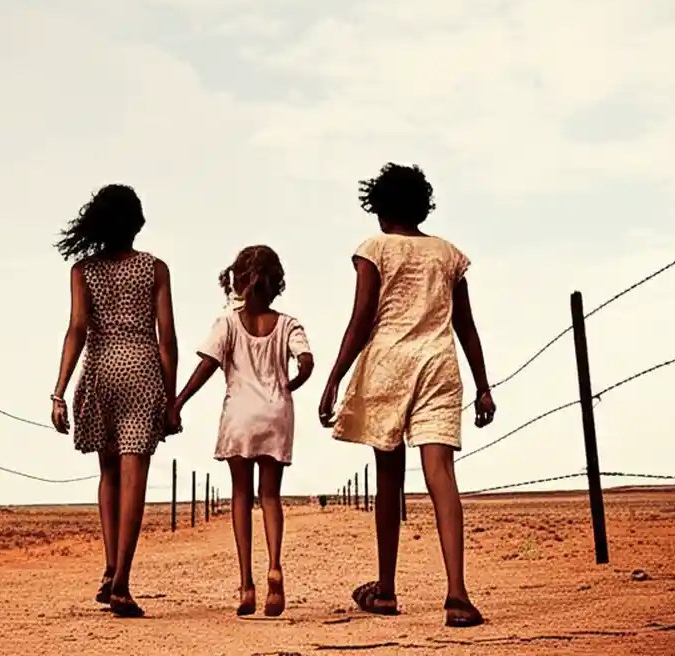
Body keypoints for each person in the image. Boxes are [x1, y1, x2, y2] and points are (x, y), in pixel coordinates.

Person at [318, 163, 497, 629]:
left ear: (378, 207)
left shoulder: (374, 249)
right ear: (422, 205)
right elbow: (467, 327)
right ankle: (457, 593)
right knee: (441, 475)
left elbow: (361, 321)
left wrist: (335, 376)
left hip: (388, 365)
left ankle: (386, 590)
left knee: (388, 481)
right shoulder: (448, 254)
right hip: (439, 365)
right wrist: (483, 386)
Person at [50, 184, 178, 619]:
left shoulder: (82, 270)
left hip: (101, 370)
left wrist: (59, 390)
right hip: (142, 372)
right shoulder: (155, 268)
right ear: (137, 223)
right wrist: (172, 397)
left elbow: (77, 330)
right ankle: (121, 580)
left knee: (107, 475)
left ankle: (110, 568)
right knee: (134, 475)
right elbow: (167, 340)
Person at [169, 245, 313, 617]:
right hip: (276, 414)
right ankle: (275, 568)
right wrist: (292, 384)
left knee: (240, 496)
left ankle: (246, 583)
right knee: (270, 497)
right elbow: (307, 361)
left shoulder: (228, 323)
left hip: (239, 417)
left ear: (237, 281)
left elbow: (206, 366)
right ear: (276, 282)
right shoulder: (288, 324)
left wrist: (179, 401)